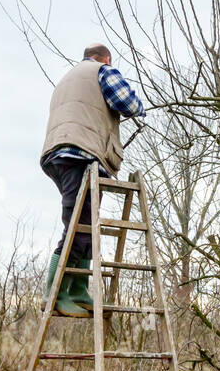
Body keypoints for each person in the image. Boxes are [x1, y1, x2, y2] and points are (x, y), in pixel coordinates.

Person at [39, 43, 145, 314]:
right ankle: (56, 293)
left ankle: (78, 289)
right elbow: (128, 103)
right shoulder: (103, 71)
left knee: (84, 222)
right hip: (80, 153)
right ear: (106, 58)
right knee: (77, 225)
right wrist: (139, 109)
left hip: (58, 153)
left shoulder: (67, 79)